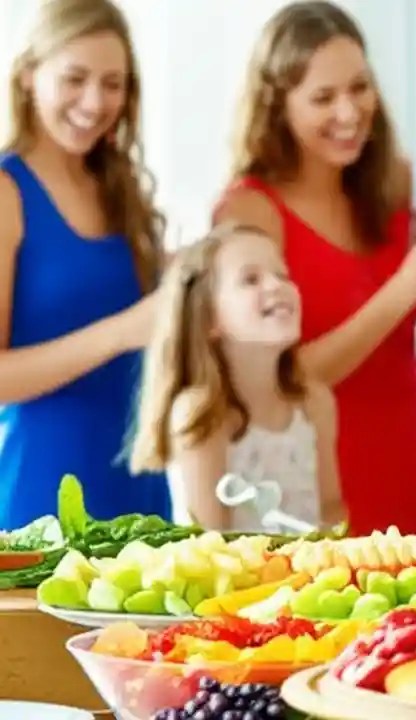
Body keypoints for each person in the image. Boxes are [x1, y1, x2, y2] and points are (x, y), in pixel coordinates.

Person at [214, 1, 416, 538]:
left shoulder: (394, 183)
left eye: (360, 88)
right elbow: (276, 379)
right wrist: (407, 284)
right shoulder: (249, 210)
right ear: (277, 104)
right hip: (322, 473)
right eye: (323, 97)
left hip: (410, 451)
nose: (349, 112)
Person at [0, 0, 170, 528]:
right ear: (30, 76)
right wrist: (123, 331)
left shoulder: (119, 188)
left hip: (139, 481)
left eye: (112, 83)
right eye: (74, 78)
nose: (95, 103)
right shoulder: (8, 193)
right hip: (43, 495)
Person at [129, 224, 344, 532]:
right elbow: (208, 542)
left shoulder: (315, 403)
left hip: (311, 578)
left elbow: (332, 512)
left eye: (283, 275)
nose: (276, 285)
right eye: (250, 279)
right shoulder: (200, 414)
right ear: (208, 319)